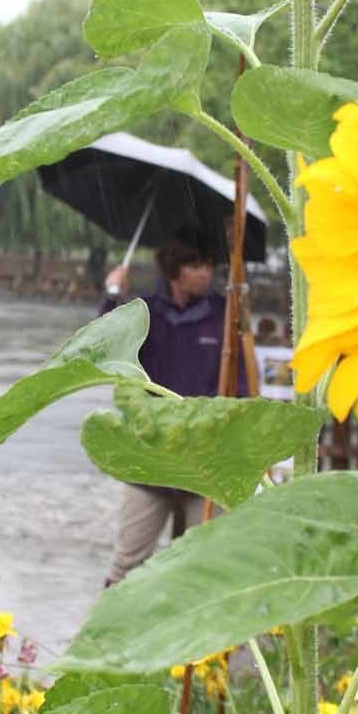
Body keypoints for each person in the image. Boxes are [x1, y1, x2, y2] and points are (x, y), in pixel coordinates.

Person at [99, 225, 245, 585]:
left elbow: (240, 387)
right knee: (127, 564)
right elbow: (105, 349)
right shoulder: (144, 313)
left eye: (210, 265)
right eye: (196, 266)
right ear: (175, 270)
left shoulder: (225, 317)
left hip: (205, 463)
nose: (206, 273)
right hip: (151, 460)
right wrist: (113, 296)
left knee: (203, 570)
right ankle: (112, 621)